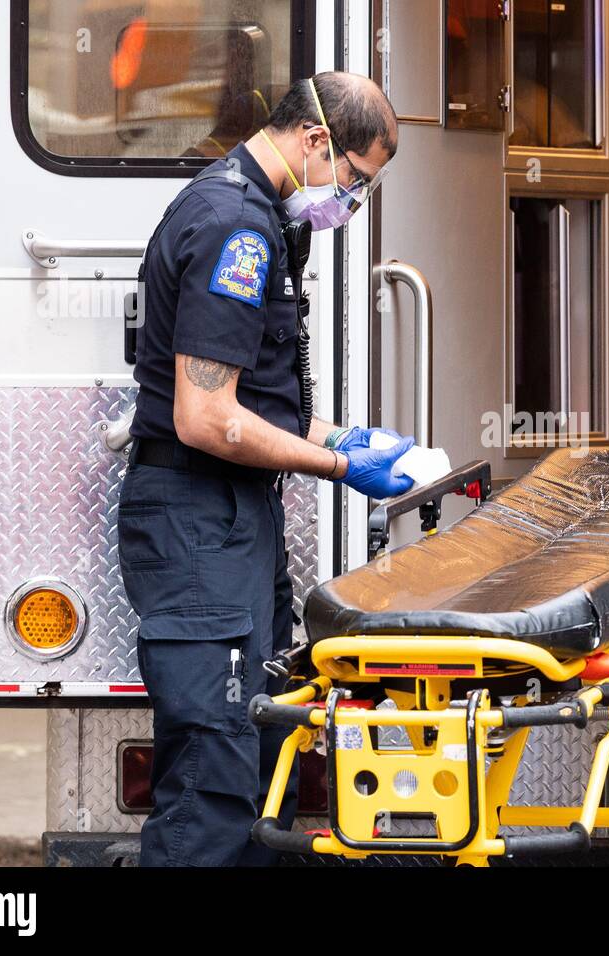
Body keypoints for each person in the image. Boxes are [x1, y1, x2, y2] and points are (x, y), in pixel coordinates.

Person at [119, 71, 409, 866]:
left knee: (257, 756)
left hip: (229, 521)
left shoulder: (258, 218)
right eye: (355, 179)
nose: (351, 201)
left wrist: (346, 437)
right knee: (212, 778)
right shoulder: (234, 229)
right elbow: (205, 417)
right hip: (198, 520)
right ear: (316, 140)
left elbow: (250, 403)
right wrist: (337, 466)